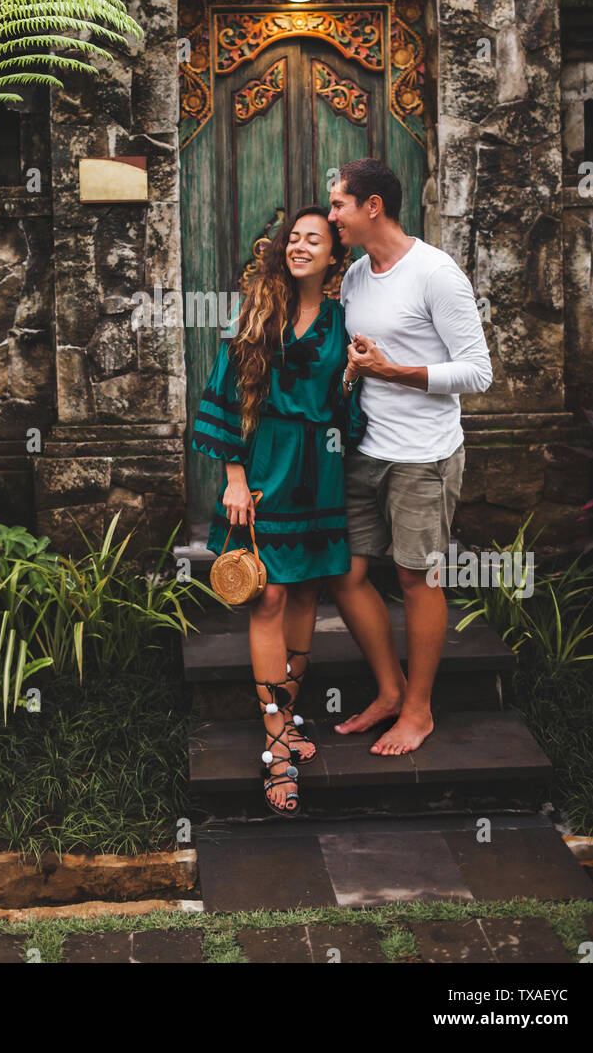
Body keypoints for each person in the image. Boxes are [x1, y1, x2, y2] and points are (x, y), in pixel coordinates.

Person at [191, 206, 366, 817]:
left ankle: (287, 719)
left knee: (303, 597)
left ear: (332, 257)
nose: (300, 246)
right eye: (293, 237)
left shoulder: (345, 320)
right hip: (262, 468)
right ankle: (275, 743)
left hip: (319, 473)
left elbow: (349, 407)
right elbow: (225, 388)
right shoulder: (260, 309)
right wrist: (233, 476)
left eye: (314, 239)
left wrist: (354, 378)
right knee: (264, 596)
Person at [327, 159, 493, 756]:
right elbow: (357, 360)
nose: (331, 215)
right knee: (344, 574)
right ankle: (390, 690)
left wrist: (392, 370)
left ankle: (419, 712)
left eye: (339, 203)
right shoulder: (355, 276)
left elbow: (478, 371)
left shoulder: (436, 273)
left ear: (373, 206)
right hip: (365, 451)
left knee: (416, 578)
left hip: (423, 456)